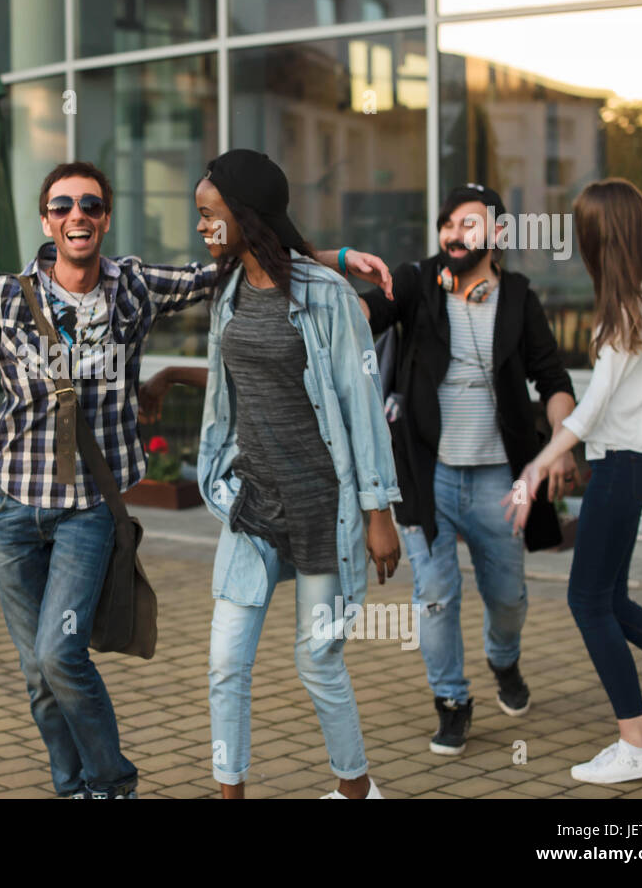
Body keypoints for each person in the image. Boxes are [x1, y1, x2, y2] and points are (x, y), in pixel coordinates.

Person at [0, 160, 392, 798]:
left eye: (89, 204)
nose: (75, 215)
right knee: (38, 670)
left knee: (60, 654)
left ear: (105, 217)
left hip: (91, 506)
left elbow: (250, 256)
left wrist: (336, 256)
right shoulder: (6, 295)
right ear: (45, 219)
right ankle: (73, 786)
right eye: (61, 206)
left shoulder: (135, 286)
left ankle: (112, 785)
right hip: (14, 502)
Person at [140, 150, 401, 799]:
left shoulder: (326, 297)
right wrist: (172, 375)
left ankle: (356, 789)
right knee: (225, 662)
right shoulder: (227, 285)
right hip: (252, 502)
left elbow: (361, 403)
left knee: (317, 659)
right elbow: (241, 374)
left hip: (323, 507)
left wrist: (380, 510)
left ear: (245, 216)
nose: (201, 226)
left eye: (209, 214)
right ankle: (230, 791)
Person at [504, 178, 642, 783]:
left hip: (624, 464)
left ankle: (638, 742)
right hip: (631, 461)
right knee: (610, 601)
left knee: (585, 600)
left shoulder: (633, 304)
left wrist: (541, 462)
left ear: (604, 236)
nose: (579, 244)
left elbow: (596, 403)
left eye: (584, 232)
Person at [356, 183, 578, 756]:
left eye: (470, 224)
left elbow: (552, 380)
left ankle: (504, 660)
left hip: (498, 480)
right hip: (426, 474)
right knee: (435, 594)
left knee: (507, 596)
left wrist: (563, 443)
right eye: (447, 223)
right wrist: (329, 275)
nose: (454, 234)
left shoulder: (520, 298)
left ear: (497, 235)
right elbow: (362, 313)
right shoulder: (415, 284)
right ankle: (451, 700)